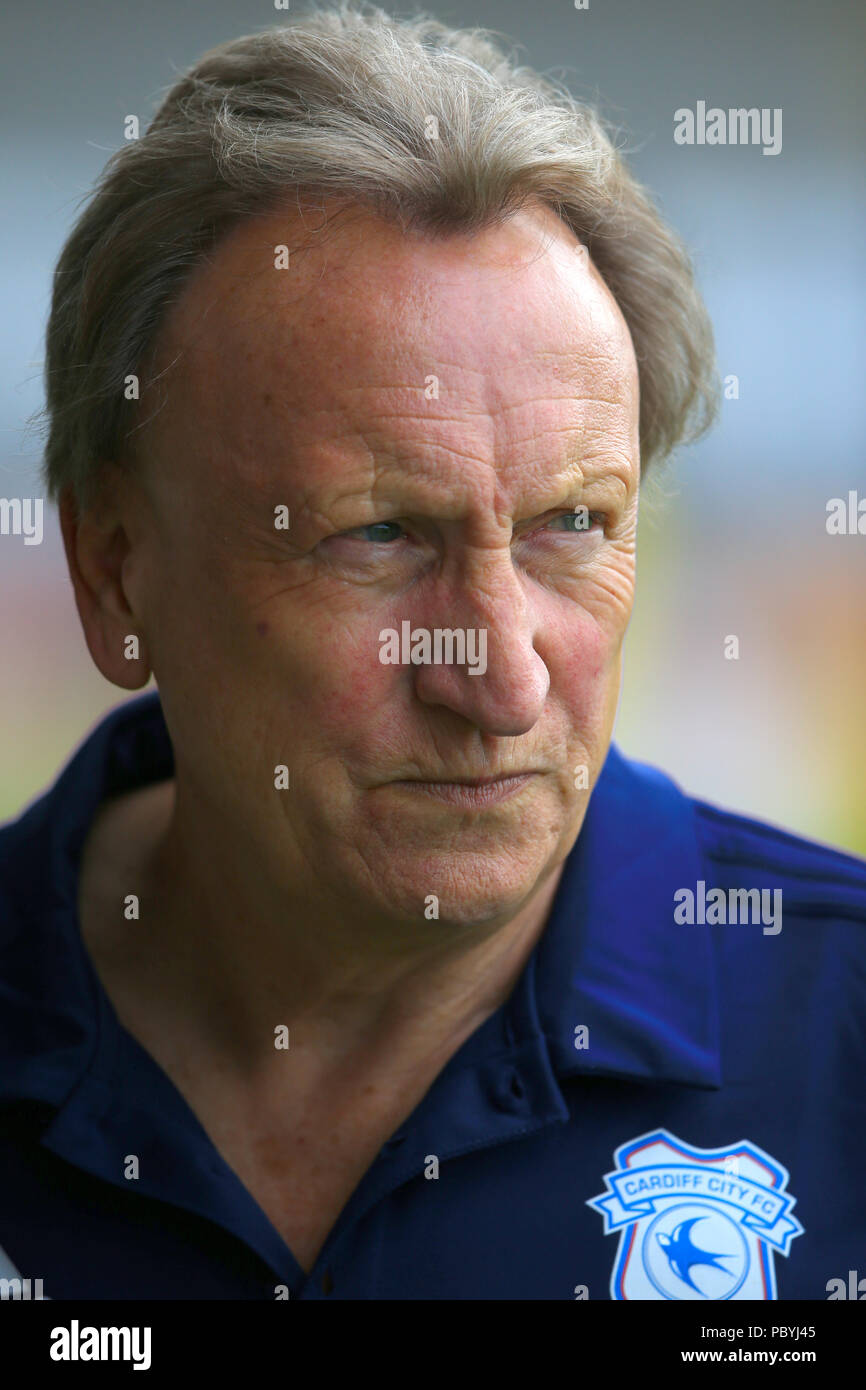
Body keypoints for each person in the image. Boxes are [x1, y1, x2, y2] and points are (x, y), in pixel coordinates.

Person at [1, 1, 863, 1301]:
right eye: (379, 535)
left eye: (572, 522)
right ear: (114, 566)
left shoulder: (838, 1036)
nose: (506, 682)